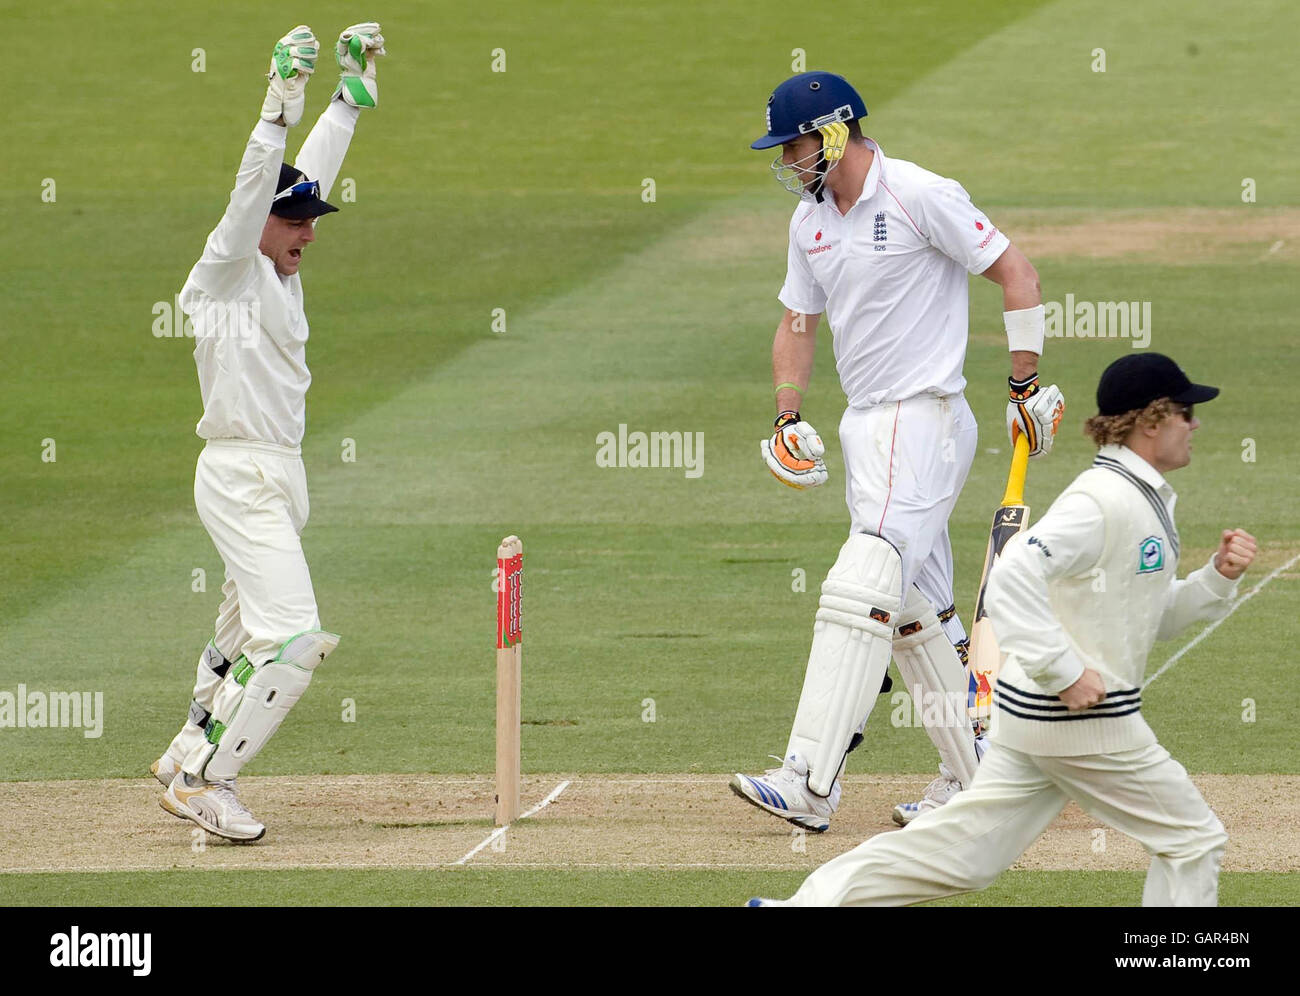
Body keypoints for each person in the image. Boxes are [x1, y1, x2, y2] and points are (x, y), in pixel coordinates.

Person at [753, 352, 1255, 906]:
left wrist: (1216, 578)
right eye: (1185, 412)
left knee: (965, 856)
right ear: (1150, 421)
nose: (1196, 424)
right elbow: (1012, 574)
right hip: (1080, 718)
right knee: (1192, 839)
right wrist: (1064, 672)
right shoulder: (1101, 500)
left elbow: (1149, 617)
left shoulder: (1141, 498)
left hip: (1035, 716)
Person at [730, 71, 1065, 831]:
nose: (789, 157)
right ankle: (979, 779)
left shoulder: (920, 193)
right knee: (914, 611)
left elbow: (1017, 274)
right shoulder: (809, 223)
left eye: (798, 141)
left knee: (862, 586)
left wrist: (1024, 385)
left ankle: (810, 779)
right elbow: (797, 321)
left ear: (839, 131)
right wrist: (787, 415)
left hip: (925, 418)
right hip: (864, 429)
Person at [150, 23, 387, 841]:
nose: (309, 233)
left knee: (240, 632)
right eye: (295, 223)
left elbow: (297, 186)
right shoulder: (224, 272)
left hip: (280, 475)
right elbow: (257, 193)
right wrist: (275, 112)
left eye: (312, 219)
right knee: (292, 640)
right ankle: (208, 781)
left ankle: (186, 742)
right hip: (240, 474)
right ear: (258, 224)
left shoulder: (280, 265)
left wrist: (347, 103)